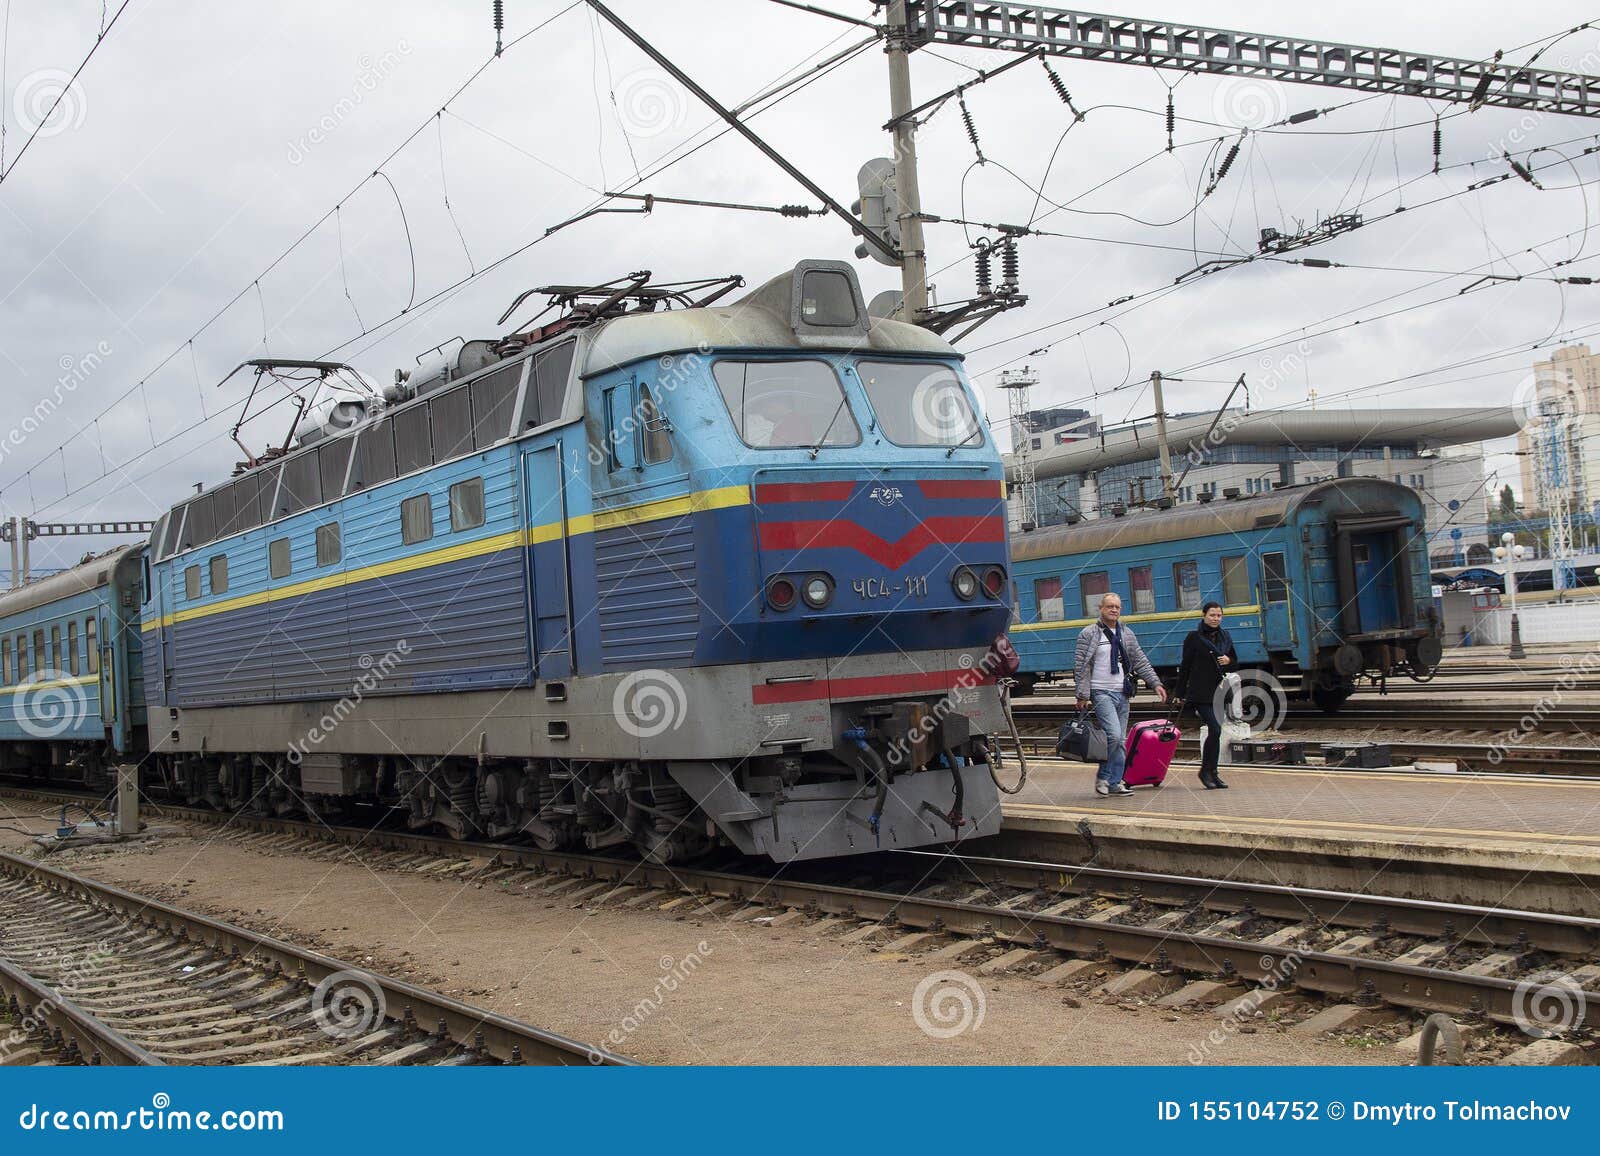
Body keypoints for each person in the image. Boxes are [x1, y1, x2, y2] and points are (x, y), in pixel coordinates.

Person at [1074, 592, 1168, 797]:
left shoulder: (1127, 633)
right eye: (1110, 607)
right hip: (1101, 692)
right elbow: (1081, 666)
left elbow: (1140, 660)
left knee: (1120, 740)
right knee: (1115, 736)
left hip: (1122, 692)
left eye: (1117, 607)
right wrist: (1082, 695)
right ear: (1101, 608)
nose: (1114, 610)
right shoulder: (1088, 634)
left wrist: (1155, 683)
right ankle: (1104, 777)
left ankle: (1115, 783)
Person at [1175, 600, 1239, 789]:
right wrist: (1179, 692)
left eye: (1219, 615)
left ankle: (1213, 773)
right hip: (1200, 693)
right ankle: (1205, 772)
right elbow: (1185, 666)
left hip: (1219, 692)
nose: (1216, 618)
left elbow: (1235, 663)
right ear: (1204, 615)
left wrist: (1229, 660)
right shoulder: (1193, 638)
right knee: (1216, 729)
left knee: (1216, 732)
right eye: (1212, 615)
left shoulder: (1225, 637)